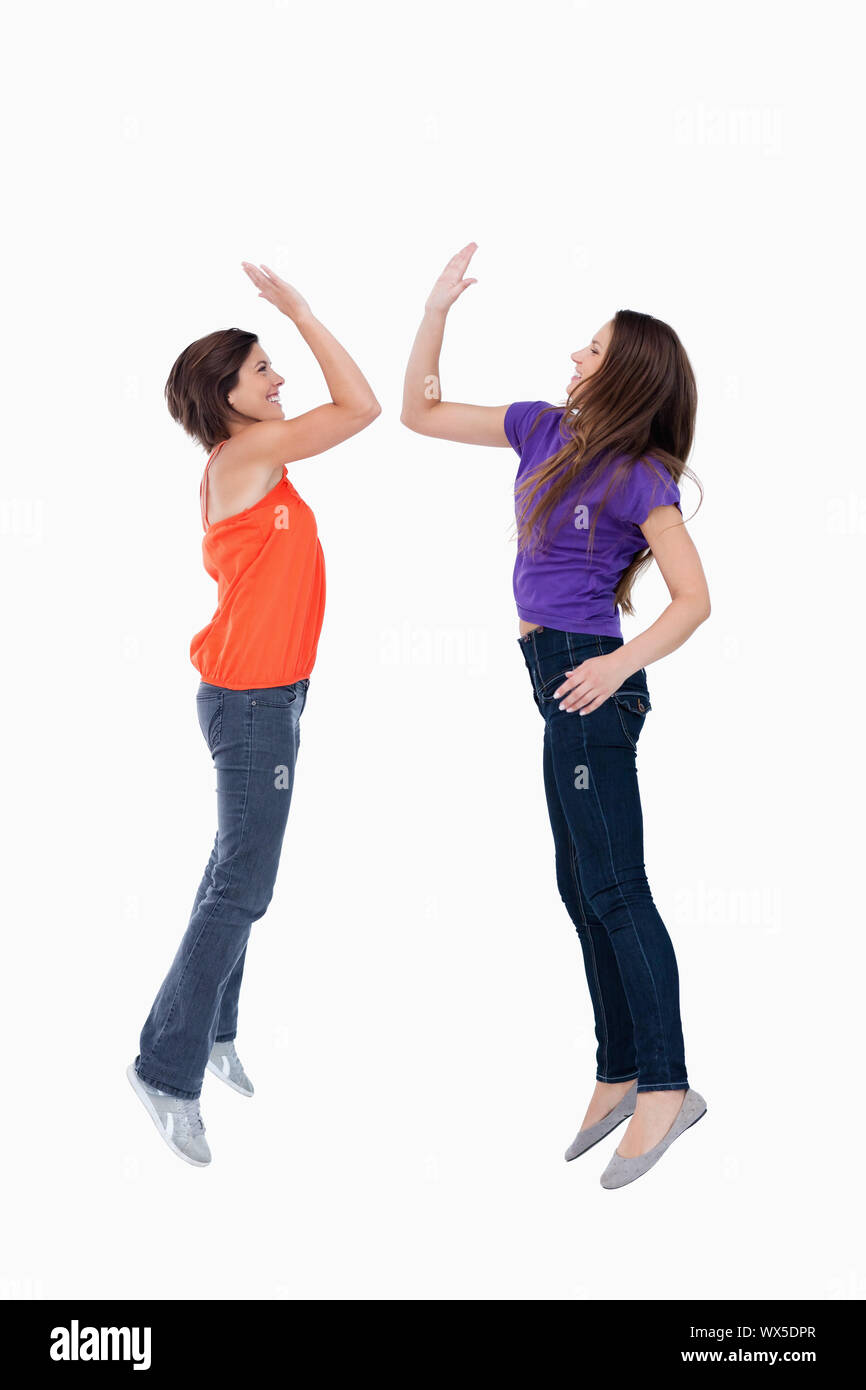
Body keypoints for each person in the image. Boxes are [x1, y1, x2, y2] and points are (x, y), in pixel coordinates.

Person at [400, 243, 710, 1189]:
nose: (574, 356)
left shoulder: (641, 476)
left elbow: (693, 601)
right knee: (581, 889)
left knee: (616, 886)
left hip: (586, 679)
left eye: (592, 348)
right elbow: (418, 411)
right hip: (549, 676)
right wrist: (436, 309)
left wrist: (616, 665)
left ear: (626, 370)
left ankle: (668, 1083)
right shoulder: (541, 430)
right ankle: (619, 1067)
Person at [128, 263, 380, 1167]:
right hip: (250, 701)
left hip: (264, 697)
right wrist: (305, 311)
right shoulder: (246, 455)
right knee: (244, 884)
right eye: (264, 370)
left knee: (230, 872)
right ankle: (166, 1066)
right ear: (225, 395)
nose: (281, 381)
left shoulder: (248, 460)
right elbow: (361, 409)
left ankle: (217, 1030)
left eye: (276, 364)